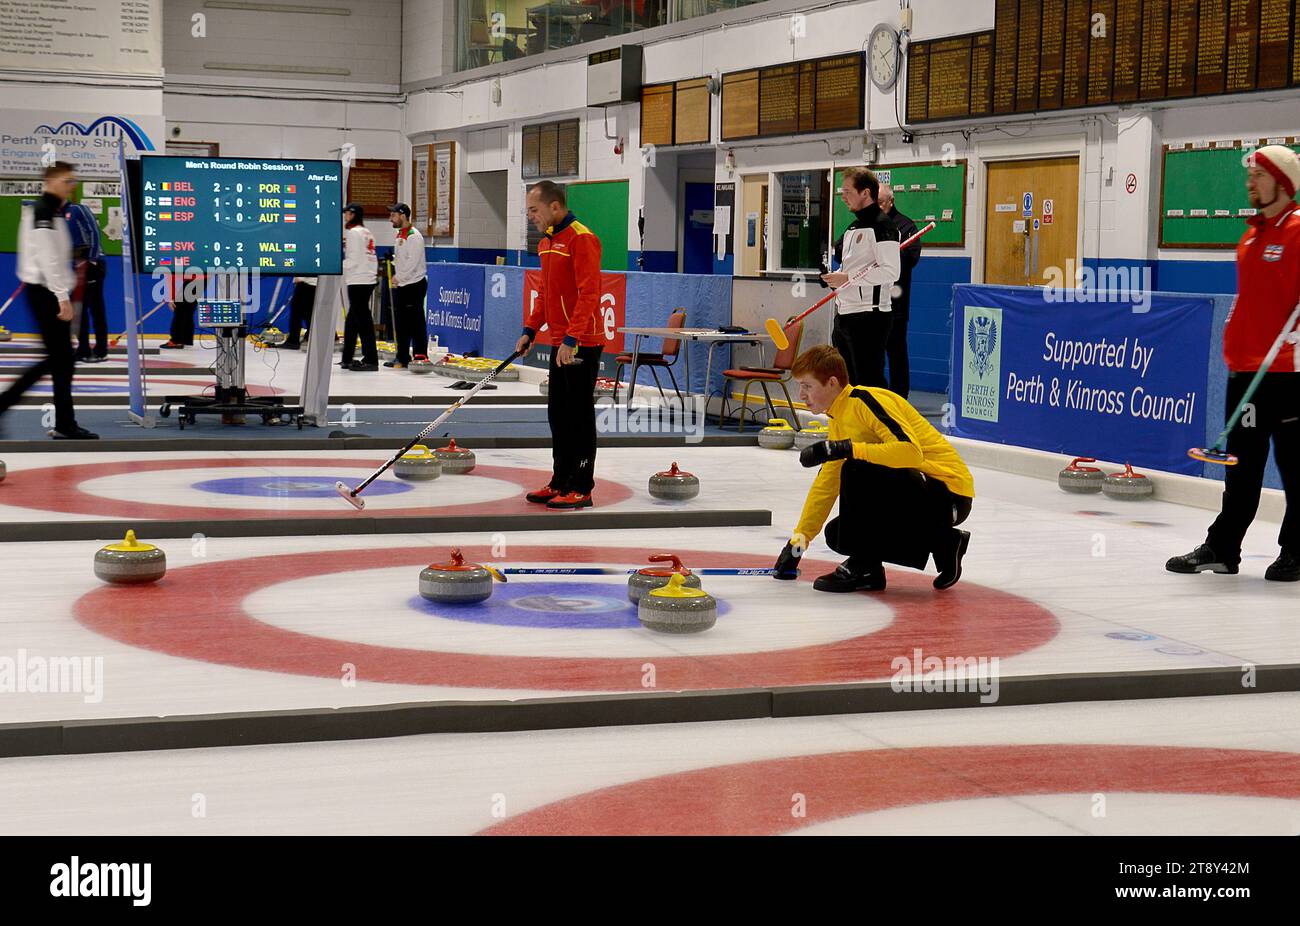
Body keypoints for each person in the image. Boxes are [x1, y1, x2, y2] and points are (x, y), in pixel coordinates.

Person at [1167, 144, 1300, 582]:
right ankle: (1223, 549)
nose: (1250, 183)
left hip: (1289, 374)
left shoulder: (1298, 231)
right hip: (1246, 371)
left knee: (1296, 467)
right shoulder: (1251, 234)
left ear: (1281, 182)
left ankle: (1296, 551)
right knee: (1240, 468)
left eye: (1258, 176)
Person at [772, 345, 973, 592]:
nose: (801, 393)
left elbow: (910, 451)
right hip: (921, 497)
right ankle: (942, 544)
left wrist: (848, 449)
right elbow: (826, 486)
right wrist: (797, 544)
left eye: (808, 386)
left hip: (950, 495)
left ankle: (865, 565)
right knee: (839, 534)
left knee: (856, 470)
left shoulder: (866, 401)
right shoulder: (839, 418)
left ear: (832, 382)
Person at [515, 181, 603, 510]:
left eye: (534, 211)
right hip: (559, 341)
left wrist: (572, 338)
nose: (531, 218)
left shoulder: (582, 238)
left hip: (580, 342)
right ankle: (560, 479)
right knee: (559, 414)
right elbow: (546, 293)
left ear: (555, 207)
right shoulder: (548, 242)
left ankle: (581, 485)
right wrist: (530, 328)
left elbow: (589, 293)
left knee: (579, 416)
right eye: (528, 212)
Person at [0, 161, 98, 439]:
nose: (71, 186)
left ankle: (65, 423)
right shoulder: (42, 212)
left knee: (62, 361)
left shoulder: (52, 212)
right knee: (59, 359)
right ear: (51, 181)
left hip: (48, 291)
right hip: (45, 293)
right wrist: (61, 297)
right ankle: (7, 406)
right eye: (67, 181)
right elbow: (48, 258)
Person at [820, 166, 901, 388]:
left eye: (847, 191)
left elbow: (891, 271)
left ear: (865, 193)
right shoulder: (852, 228)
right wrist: (833, 278)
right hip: (845, 313)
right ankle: (852, 424)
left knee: (869, 383)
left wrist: (848, 277)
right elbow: (851, 269)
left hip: (870, 317)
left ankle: (880, 423)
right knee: (847, 384)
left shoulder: (884, 226)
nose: (843, 196)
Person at [878, 185, 921, 398]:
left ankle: (899, 398)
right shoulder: (869, 225)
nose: (877, 207)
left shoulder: (906, 226)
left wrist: (889, 254)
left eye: (881, 203)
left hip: (896, 302)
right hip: (872, 303)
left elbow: (911, 259)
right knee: (873, 354)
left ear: (891, 201)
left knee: (896, 353)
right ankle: (878, 396)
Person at [64, 198, 108, 363]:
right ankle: (83, 348)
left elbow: (93, 231)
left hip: (92, 263)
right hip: (75, 264)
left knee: (96, 308)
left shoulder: (77, 209)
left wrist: (92, 258)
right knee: (78, 308)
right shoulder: (57, 215)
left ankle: (101, 349)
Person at [386, 203, 428, 369]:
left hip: (414, 284)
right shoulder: (400, 236)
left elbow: (413, 262)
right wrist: (393, 260)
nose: (391, 219)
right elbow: (403, 259)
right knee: (402, 324)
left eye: (393, 215)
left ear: (402, 215)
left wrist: (398, 276)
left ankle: (420, 354)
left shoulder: (414, 236)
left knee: (416, 322)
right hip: (403, 284)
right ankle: (402, 357)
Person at [340, 202, 379, 371]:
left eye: (348, 214)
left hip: (358, 279)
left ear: (354, 214)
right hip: (367, 277)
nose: (345, 217)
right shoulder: (366, 232)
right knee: (352, 320)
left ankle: (371, 359)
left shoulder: (354, 233)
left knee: (363, 321)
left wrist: (337, 267)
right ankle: (347, 356)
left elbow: (353, 259)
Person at [274, 276, 317, 350]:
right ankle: (308, 338)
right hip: (311, 283)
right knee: (309, 312)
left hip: (308, 283)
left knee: (297, 313)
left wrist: (302, 278)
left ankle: (293, 341)